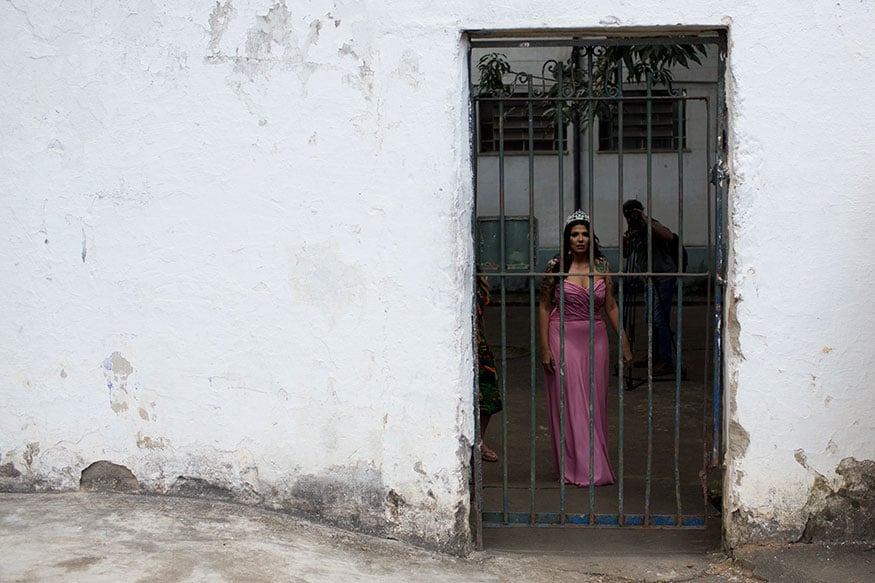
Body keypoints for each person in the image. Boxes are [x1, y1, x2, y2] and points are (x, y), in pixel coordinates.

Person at [538, 210, 632, 487]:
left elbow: (611, 305)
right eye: (574, 234)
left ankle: (594, 463)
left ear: (591, 238)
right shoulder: (556, 267)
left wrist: (624, 341)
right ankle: (575, 467)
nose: (580, 239)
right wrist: (544, 347)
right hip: (562, 335)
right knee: (571, 403)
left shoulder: (602, 266)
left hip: (596, 338)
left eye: (584, 234)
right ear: (567, 239)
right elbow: (544, 307)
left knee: (594, 403)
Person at [622, 199, 682, 376]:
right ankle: (653, 355)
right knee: (650, 318)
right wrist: (625, 239)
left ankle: (665, 360)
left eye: (634, 213)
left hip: (663, 277)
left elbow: (669, 236)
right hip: (648, 279)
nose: (631, 218)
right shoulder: (633, 231)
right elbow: (627, 254)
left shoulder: (652, 224)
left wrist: (645, 221)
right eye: (628, 215)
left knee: (659, 318)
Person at [476, 275, 502, 462]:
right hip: (457, 342)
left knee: (489, 394)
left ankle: (479, 441)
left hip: (479, 343)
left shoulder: (478, 278)